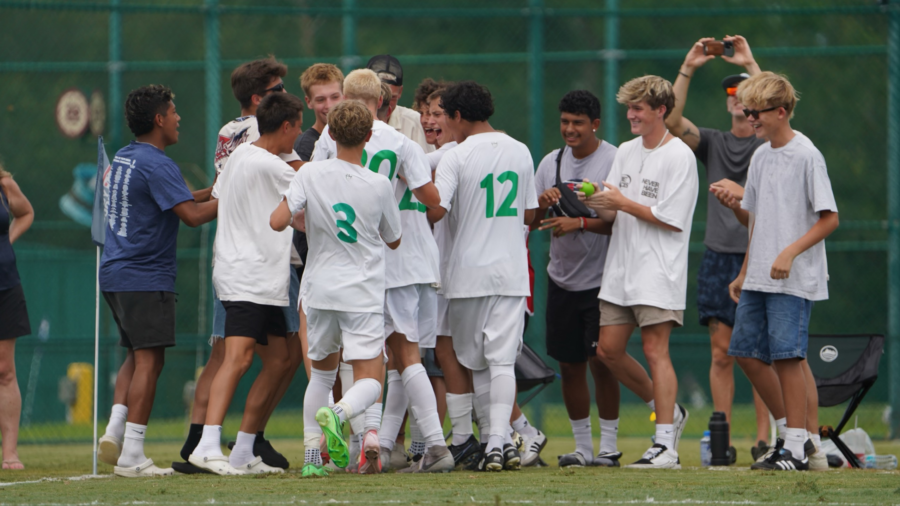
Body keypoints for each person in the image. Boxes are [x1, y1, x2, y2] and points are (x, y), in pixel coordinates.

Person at [311, 69, 452, 474]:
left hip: (368, 262)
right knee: (402, 357)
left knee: (380, 358)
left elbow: (316, 187)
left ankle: (427, 445)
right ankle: (385, 444)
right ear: (385, 101)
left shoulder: (330, 138)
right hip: (412, 253)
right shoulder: (403, 142)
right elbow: (433, 201)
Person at [175, 58, 302, 474]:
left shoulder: (238, 154)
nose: (299, 135)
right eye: (297, 127)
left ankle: (244, 447)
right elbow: (314, 187)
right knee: (238, 357)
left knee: (281, 358)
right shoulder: (272, 164)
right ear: (284, 127)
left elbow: (218, 195)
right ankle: (207, 445)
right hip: (244, 275)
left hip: (263, 276)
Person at [270, 99, 402, 478]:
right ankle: (340, 413)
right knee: (370, 380)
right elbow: (393, 239)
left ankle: (313, 460)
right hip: (361, 291)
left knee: (323, 376)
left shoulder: (310, 174)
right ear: (368, 136)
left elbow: (278, 221)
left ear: (328, 133)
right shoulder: (378, 184)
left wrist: (296, 209)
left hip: (319, 289)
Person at [96, 84, 218, 477]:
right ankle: (132, 455)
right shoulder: (159, 163)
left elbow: (177, 199)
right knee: (151, 359)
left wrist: (213, 191)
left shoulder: (126, 157)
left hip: (115, 274)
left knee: (135, 353)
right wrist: (237, 194)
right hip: (145, 275)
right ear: (159, 119)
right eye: (174, 110)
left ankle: (116, 428)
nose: (179, 117)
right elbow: (193, 216)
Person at [722, 71, 839, 471]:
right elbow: (756, 220)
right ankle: (794, 439)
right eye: (746, 111)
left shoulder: (807, 155)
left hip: (793, 277)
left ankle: (795, 446)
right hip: (757, 276)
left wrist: (789, 253)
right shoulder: (760, 155)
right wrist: (743, 271)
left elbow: (829, 219)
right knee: (745, 354)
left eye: (755, 112)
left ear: (782, 111)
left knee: (788, 357)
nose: (749, 118)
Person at [665, 35, 770, 462]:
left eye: (745, 94)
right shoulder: (713, 142)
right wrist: (688, 66)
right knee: (722, 351)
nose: (738, 101)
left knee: (763, 352)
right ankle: (721, 439)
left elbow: (778, 106)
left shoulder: (770, 143)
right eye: (732, 95)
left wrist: (750, 61)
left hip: (759, 253)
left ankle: (767, 438)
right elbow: (670, 121)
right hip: (717, 255)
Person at [584, 75, 697, 470]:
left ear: (660, 110)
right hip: (620, 270)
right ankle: (667, 411)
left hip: (657, 271)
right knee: (607, 352)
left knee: (654, 350)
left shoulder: (680, 156)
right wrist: (590, 200)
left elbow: (672, 219)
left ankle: (665, 445)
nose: (630, 115)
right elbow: (613, 210)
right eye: (629, 108)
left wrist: (622, 202)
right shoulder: (627, 151)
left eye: (638, 108)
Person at [427, 80, 539, 472]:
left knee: (475, 364)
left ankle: (495, 442)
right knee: (502, 363)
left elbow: (436, 209)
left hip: (468, 273)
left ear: (457, 115)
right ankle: (499, 442)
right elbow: (529, 214)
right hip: (510, 272)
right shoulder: (521, 150)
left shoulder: (455, 156)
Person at [531, 90, 621, 467]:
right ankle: (582, 448)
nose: (570, 129)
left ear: (595, 125)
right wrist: (543, 202)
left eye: (578, 123)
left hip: (602, 281)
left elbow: (621, 222)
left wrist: (579, 221)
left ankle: (609, 447)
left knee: (602, 361)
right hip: (561, 279)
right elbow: (532, 221)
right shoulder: (551, 162)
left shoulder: (615, 160)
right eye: (565, 121)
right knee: (569, 365)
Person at [0, 162, 33, 471]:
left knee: (5, 370)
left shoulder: (4, 185)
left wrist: (5, 242)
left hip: (6, 285)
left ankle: (9, 453)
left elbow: (26, 213)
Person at [367, 54, 433, 153]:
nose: (384, 103)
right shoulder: (352, 120)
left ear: (400, 92)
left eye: (392, 97)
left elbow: (426, 164)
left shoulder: (413, 122)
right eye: (378, 96)